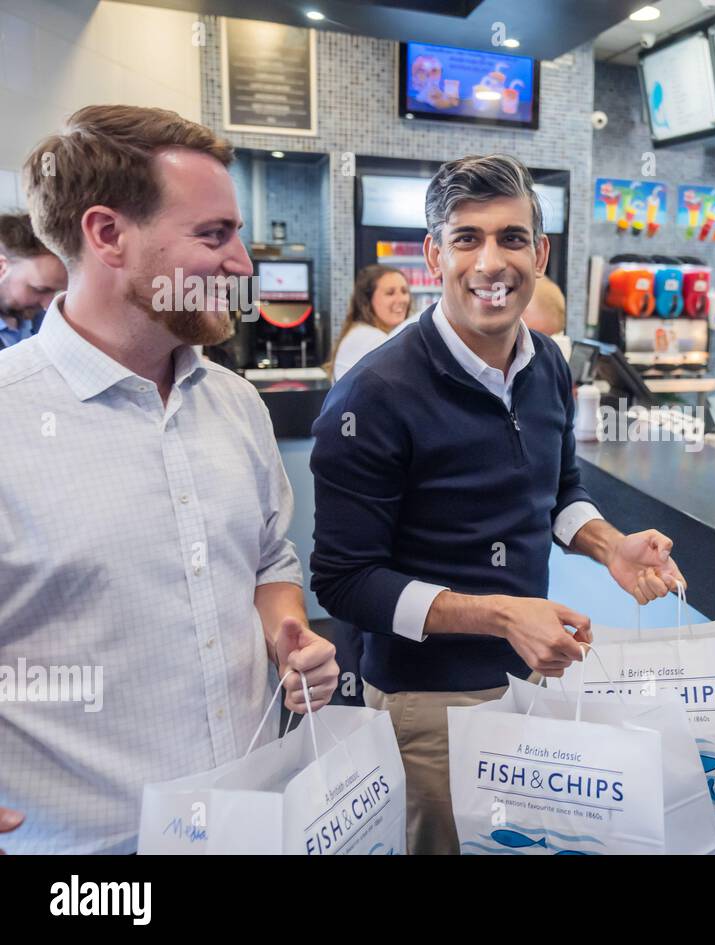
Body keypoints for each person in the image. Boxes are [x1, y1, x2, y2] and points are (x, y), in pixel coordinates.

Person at [310, 154, 687, 855]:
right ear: (433, 254)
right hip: (429, 706)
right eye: (467, 238)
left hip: (528, 683)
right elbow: (344, 581)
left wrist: (611, 545)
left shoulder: (546, 364)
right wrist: (501, 614)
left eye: (512, 238)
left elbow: (559, 491)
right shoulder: (374, 394)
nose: (492, 261)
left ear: (540, 254)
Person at [0, 104, 338, 854]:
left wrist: (290, 634)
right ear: (108, 234)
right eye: (213, 235)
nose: (245, 265)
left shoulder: (235, 404)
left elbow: (267, 559)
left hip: (251, 825)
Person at [327, 263, 413, 380]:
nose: (401, 299)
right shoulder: (371, 339)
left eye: (404, 291)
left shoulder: (360, 331)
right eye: (390, 293)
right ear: (367, 300)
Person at [0, 211, 68, 346]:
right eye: (40, 289)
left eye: (57, 291)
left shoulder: (46, 324)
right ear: (1, 268)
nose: (48, 306)